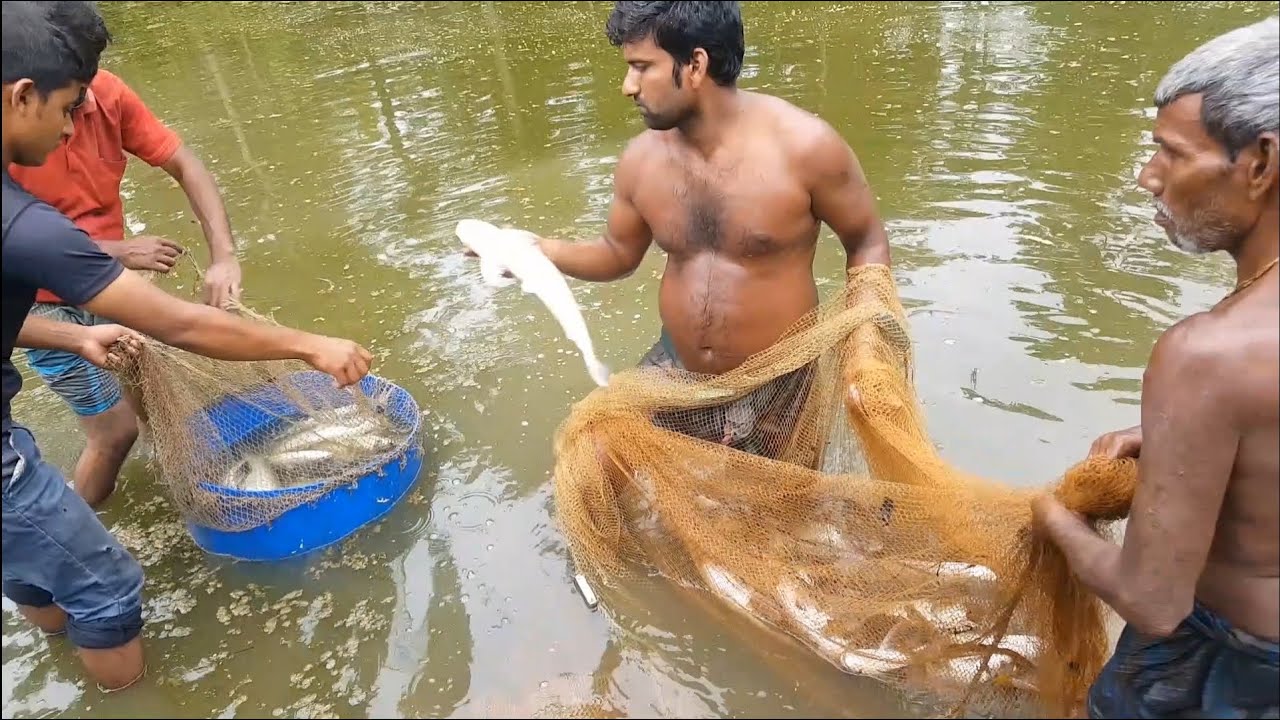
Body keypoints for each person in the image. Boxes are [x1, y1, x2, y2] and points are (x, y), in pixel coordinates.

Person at [3, 0, 372, 692]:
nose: (69, 124)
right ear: (23, 95)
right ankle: (122, 688)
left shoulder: (80, 123)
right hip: (64, 303)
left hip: (66, 312)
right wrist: (309, 345)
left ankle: (45, 608)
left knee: (48, 539)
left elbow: (183, 163)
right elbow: (179, 323)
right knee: (109, 577)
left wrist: (74, 334)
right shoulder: (27, 224)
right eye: (63, 107)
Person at [479, 1, 889, 457]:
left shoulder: (806, 147)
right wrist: (534, 251)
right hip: (677, 369)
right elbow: (617, 253)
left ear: (695, 64)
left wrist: (866, 348)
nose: (626, 87)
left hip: (781, 383)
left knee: (777, 509)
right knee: (598, 454)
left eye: (641, 68)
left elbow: (866, 242)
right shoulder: (641, 160)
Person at [1032, 16, 1279, 719]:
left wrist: (1054, 517)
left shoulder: (1205, 354)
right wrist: (1180, 441)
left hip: (1232, 665)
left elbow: (1154, 599)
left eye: (1171, 153)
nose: (1148, 178)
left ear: (1260, 162)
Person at [6, 4, 242, 508]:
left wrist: (223, 256)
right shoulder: (16, 124)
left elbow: (186, 164)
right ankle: (73, 539)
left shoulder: (107, 94)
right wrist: (117, 247)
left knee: (151, 392)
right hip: (38, 300)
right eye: (70, 94)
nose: (74, 120)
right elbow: (24, 239)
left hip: (106, 283)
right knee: (113, 433)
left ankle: (184, 482)